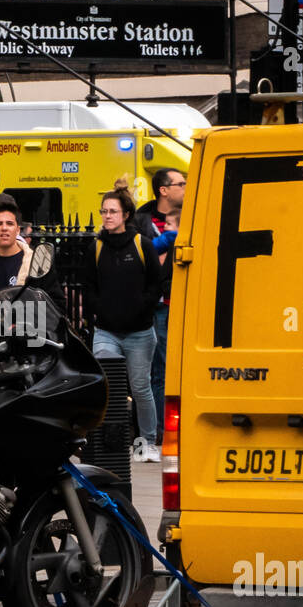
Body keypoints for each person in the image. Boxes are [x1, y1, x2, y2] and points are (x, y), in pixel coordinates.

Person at [86, 188, 164, 463]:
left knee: (140, 387)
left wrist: (142, 308)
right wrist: (100, 311)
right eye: (104, 211)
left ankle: (146, 442)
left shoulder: (142, 244)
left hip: (140, 333)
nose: (107, 216)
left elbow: (156, 283)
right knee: (106, 385)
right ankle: (107, 441)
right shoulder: (95, 247)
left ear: (126, 215)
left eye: (113, 211)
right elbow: (89, 288)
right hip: (106, 331)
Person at [134, 167, 186, 440]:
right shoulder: (141, 220)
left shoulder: (190, 217)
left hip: (178, 299)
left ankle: (165, 428)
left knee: (172, 367)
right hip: (152, 303)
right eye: (181, 183)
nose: (185, 188)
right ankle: (158, 431)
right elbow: (141, 256)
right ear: (164, 190)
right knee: (155, 368)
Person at [0, 198, 63, 334]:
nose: (4, 228)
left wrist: (28, 327)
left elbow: (56, 306)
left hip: (24, 347)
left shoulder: (37, 262)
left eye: (9, 223)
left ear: (17, 230)